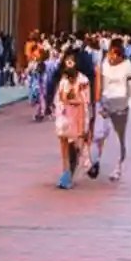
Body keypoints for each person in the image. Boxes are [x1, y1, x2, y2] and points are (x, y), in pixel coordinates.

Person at [91, 38, 131, 181]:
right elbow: (100, 84)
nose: (112, 57)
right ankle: (96, 161)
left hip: (121, 104)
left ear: (121, 55)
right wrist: (97, 102)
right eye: (110, 54)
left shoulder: (127, 66)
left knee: (118, 138)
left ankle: (117, 168)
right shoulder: (104, 64)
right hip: (105, 103)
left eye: (115, 54)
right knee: (99, 134)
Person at [54, 52, 90, 189]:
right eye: (67, 61)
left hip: (78, 116)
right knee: (64, 145)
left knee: (75, 145)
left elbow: (85, 100)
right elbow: (61, 98)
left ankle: (70, 172)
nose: (69, 63)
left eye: (71, 61)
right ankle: (65, 173)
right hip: (64, 117)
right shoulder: (63, 81)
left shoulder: (83, 80)